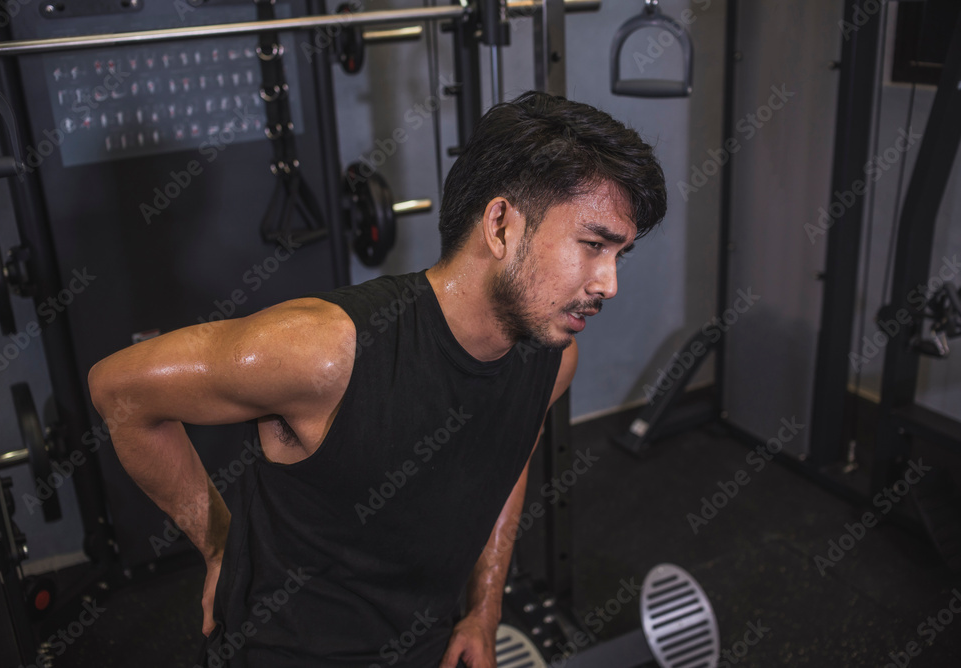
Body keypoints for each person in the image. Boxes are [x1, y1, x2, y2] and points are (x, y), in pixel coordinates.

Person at [88, 90, 666, 667]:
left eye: (619, 256)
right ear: (500, 226)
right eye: (593, 246)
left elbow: (506, 464)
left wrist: (484, 608)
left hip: (428, 641)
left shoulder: (552, 359)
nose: (608, 284)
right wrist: (219, 545)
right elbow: (120, 391)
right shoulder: (321, 351)